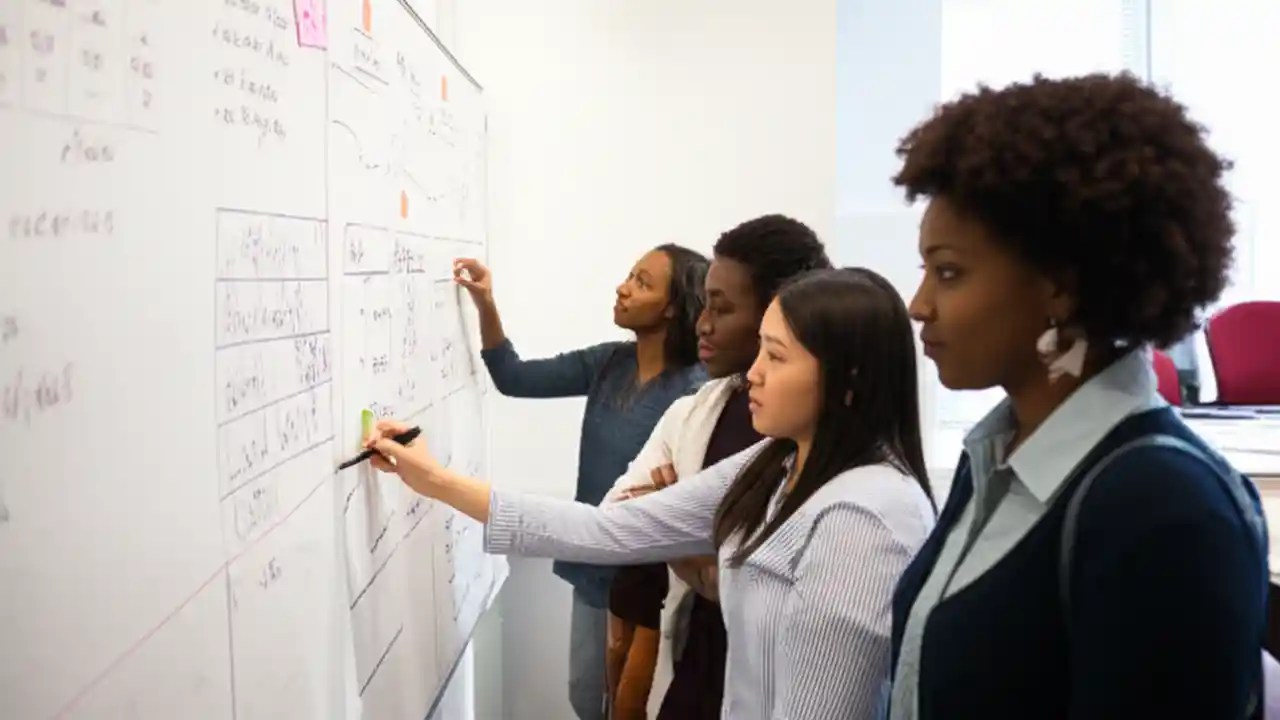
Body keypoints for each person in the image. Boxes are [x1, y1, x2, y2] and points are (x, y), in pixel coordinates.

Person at [367, 267, 937, 720]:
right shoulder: (776, 462)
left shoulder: (865, 516)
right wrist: (434, 480)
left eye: (777, 356)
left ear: (847, 381)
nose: (754, 374)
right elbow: (607, 529)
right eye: (760, 351)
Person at [888, 73, 1268, 719]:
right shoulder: (995, 459)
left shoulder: (1163, 508)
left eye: (948, 272)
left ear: (1059, 287)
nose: (919, 304)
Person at [453, 244, 709, 720]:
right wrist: (485, 303)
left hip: (654, 582)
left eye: (642, 283)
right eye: (629, 275)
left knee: (637, 705)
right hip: (594, 567)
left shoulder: (699, 389)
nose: (623, 288)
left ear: (673, 307)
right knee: (586, 697)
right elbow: (514, 378)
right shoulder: (609, 363)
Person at [601, 215, 832, 720]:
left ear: (779, 315)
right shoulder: (698, 409)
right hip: (694, 661)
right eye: (705, 304)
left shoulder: (813, 441)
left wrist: (670, 523)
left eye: (722, 309)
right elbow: (616, 511)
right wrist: (681, 532)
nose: (702, 323)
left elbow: (769, 582)